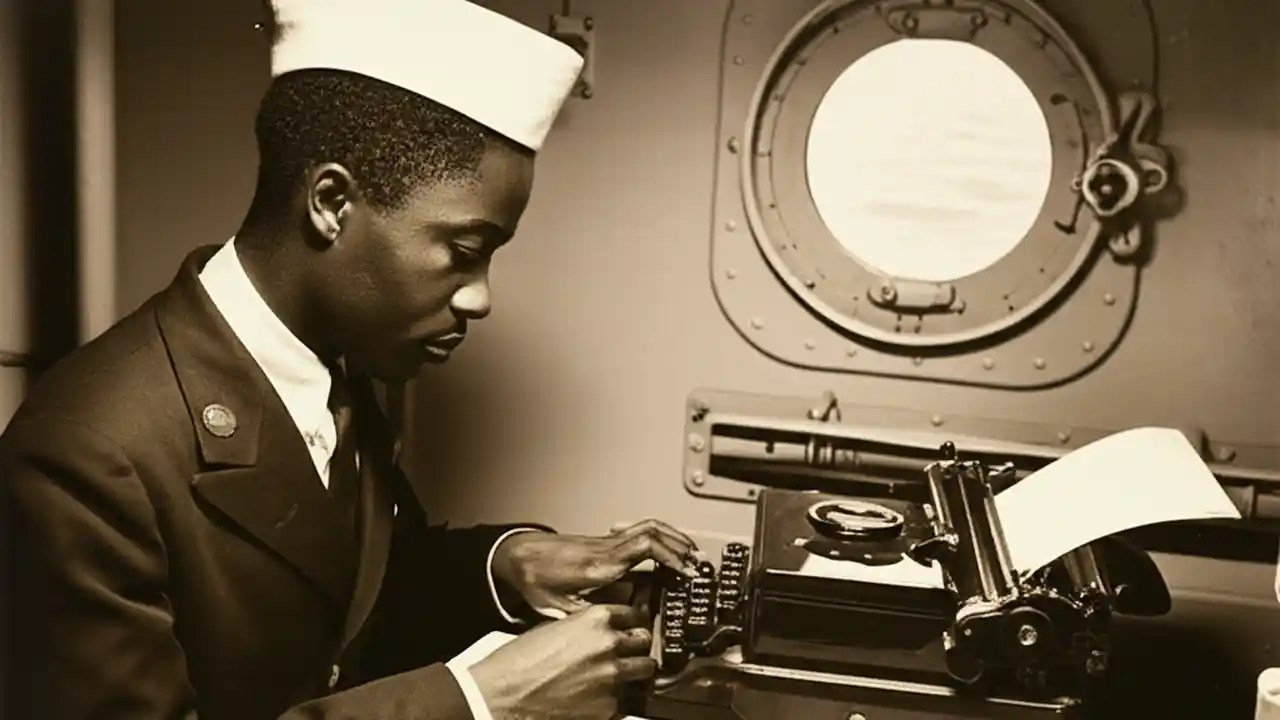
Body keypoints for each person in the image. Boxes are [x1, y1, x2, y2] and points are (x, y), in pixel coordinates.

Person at [0, 1, 701, 718]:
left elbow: (345, 595)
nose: (480, 299)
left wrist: (505, 567)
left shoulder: (329, 369)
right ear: (332, 202)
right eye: (464, 253)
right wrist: (482, 704)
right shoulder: (83, 457)